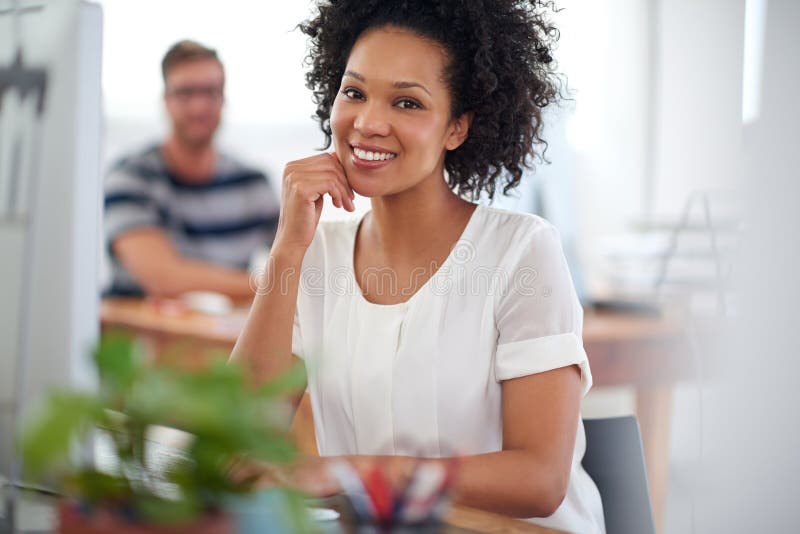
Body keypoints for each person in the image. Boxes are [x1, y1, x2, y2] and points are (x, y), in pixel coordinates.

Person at [232, 1, 605, 531]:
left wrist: (360, 472)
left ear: (457, 128)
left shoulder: (522, 251)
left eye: (407, 103)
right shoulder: (315, 255)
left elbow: (540, 481)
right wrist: (288, 249)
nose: (368, 122)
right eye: (354, 92)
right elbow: (234, 443)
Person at [103, 40, 280, 299]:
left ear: (223, 99)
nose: (199, 106)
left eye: (210, 92)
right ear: (166, 100)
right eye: (186, 93)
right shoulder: (130, 179)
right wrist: (270, 287)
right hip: (139, 337)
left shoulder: (253, 183)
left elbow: (299, 258)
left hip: (221, 337)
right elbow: (163, 280)